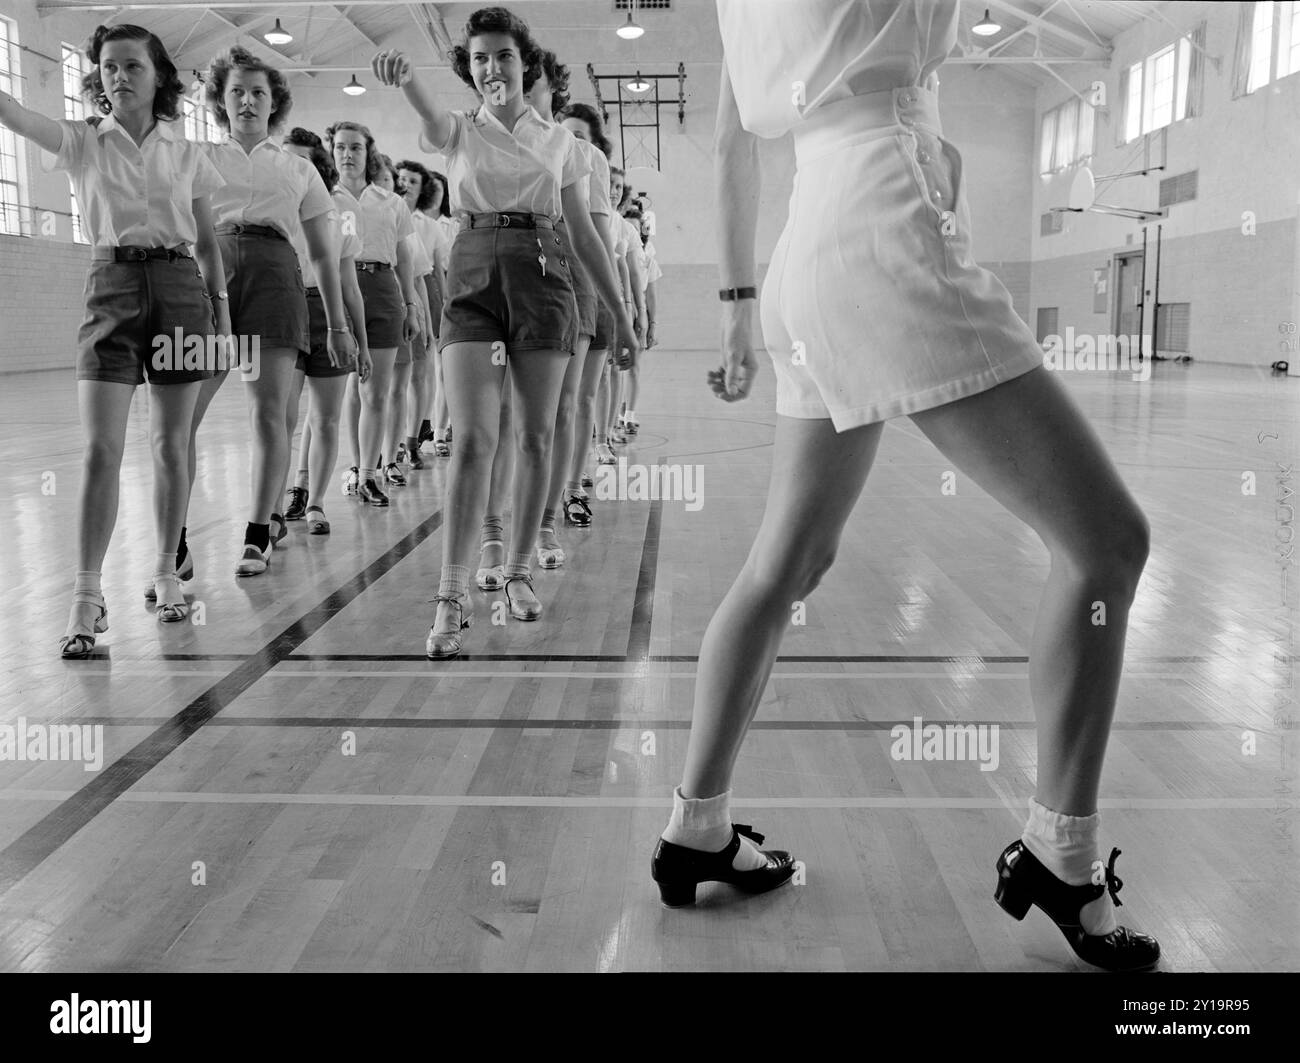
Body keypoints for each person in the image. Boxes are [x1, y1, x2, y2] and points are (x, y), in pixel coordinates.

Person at [650, 0, 1159, 974]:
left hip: (805, 253)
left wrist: (733, 307)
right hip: (886, 230)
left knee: (787, 560)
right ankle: (1061, 857)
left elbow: (727, 145)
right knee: (1107, 545)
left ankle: (695, 828)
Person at [371, 4, 639, 659]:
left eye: (504, 56)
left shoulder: (565, 146)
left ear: (527, 66)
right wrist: (407, 79)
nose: (493, 67)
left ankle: (519, 569)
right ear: (473, 68)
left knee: (537, 433)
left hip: (544, 278)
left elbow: (586, 238)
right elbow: (430, 119)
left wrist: (623, 318)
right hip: (472, 278)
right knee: (474, 439)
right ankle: (451, 594)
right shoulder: (460, 131)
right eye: (481, 57)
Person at [0, 23, 226, 654]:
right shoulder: (80, 141)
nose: (118, 75)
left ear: (158, 77)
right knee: (101, 449)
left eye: (132, 65)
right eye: (108, 67)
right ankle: (87, 595)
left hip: (183, 292)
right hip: (111, 289)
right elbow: (14, 113)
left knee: (171, 444)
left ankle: (163, 569)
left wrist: (223, 313)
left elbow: (208, 243)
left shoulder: (189, 153)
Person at [189, 47, 353, 578]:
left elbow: (326, 256)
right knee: (185, 411)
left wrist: (339, 324)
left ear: (275, 102)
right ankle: (175, 540)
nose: (247, 100)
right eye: (236, 90)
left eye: (258, 91)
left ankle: (259, 529)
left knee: (269, 409)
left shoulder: (299, 168)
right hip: (212, 274)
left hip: (276, 279)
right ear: (219, 100)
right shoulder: (200, 157)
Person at [281, 127, 371, 536]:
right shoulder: (272, 200)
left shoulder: (341, 209)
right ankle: (274, 507)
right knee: (279, 415)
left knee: (326, 416)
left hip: (325, 310)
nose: (292, 166)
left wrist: (361, 342)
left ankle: (316, 501)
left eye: (302, 159)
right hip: (281, 305)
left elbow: (349, 284)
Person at [327, 120, 419, 507]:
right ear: (332, 151)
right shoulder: (321, 198)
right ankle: (351, 466)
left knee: (375, 389)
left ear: (369, 153)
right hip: (334, 290)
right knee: (345, 388)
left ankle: (370, 473)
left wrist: (412, 305)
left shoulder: (391, 202)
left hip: (380, 289)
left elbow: (404, 257)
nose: (348, 154)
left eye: (356, 148)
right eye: (341, 147)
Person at [556, 101, 618, 527]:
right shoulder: (543, 154)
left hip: (585, 282)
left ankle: (574, 488)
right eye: (567, 131)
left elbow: (599, 234)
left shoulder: (591, 165)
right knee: (551, 403)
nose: (572, 140)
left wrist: (618, 304)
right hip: (544, 275)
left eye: (581, 135)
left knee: (582, 398)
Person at [372, 152, 433, 487]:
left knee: (400, 386)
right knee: (366, 392)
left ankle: (395, 451)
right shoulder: (359, 213)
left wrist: (419, 313)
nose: (396, 185)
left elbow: (419, 275)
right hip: (370, 305)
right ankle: (367, 459)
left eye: (389, 180)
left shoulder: (408, 227)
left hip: (400, 308)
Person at [396, 158, 448, 468]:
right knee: (392, 377)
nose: (405, 184)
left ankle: (416, 436)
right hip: (389, 287)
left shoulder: (427, 226)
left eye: (413, 181)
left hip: (423, 288)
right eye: (401, 178)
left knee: (423, 371)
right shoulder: (383, 210)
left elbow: (436, 273)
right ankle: (390, 443)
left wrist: (443, 306)